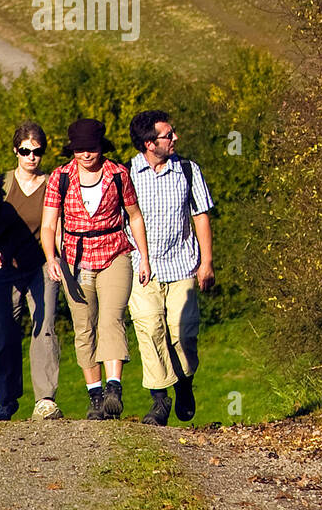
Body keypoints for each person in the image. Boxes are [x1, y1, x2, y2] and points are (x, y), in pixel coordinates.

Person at [41, 118, 150, 420]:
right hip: (74, 259)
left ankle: (114, 387)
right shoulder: (59, 178)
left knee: (112, 317)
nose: (86, 154)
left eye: (91, 148)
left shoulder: (118, 174)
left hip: (114, 251)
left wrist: (144, 256)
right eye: (80, 149)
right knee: (84, 326)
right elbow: (48, 224)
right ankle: (96, 395)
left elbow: (134, 216)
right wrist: (51, 258)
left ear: (101, 147)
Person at [127, 110, 215, 426]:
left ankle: (185, 383)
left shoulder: (188, 171)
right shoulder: (126, 174)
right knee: (150, 329)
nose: (175, 138)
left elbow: (201, 215)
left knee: (184, 334)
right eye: (168, 134)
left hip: (183, 266)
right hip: (141, 268)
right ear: (150, 144)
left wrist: (207, 262)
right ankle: (160, 400)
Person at [0, 122, 62, 421]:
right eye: (25, 151)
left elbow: (61, 226)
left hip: (41, 265)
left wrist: (59, 260)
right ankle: (6, 399)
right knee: (3, 334)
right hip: (4, 267)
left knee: (45, 325)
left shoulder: (54, 184)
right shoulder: (0, 184)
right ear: (16, 151)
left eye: (37, 151)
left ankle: (45, 400)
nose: (31, 157)